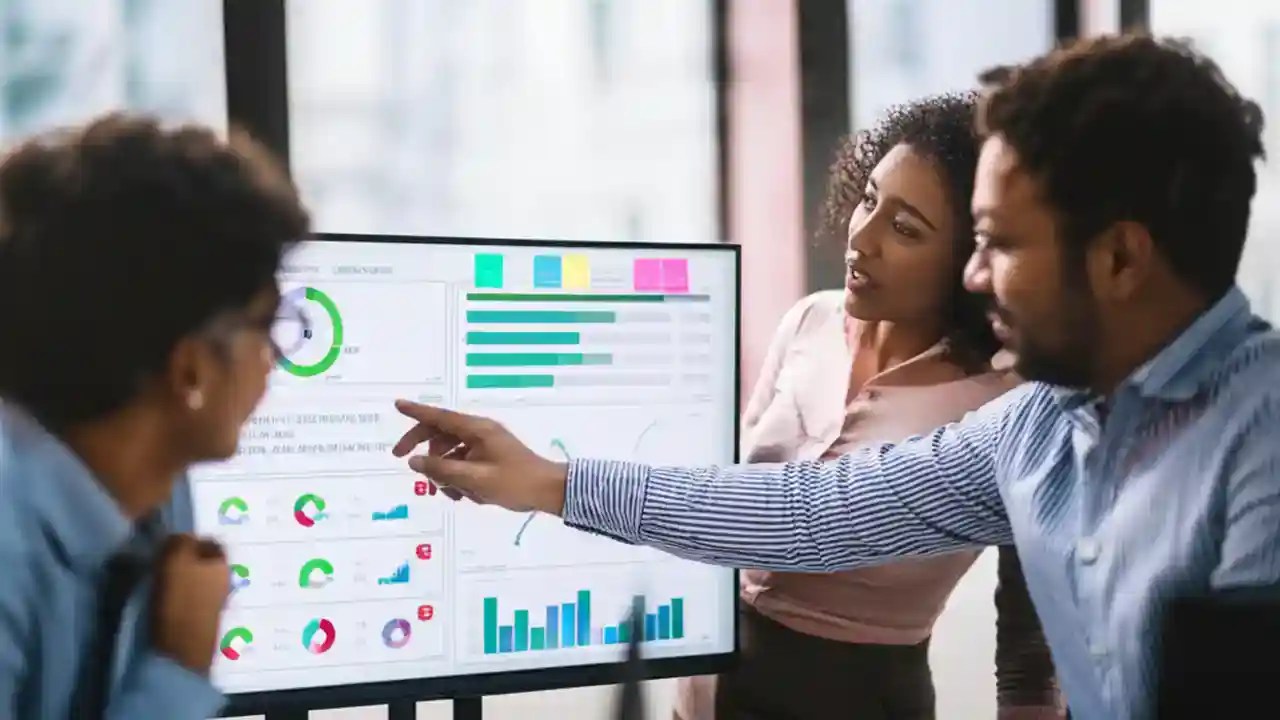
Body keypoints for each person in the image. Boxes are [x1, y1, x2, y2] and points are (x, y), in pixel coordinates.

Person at [389, 34, 1278, 720]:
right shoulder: (1038, 428)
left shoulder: (1259, 442)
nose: (975, 276)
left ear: (1120, 259)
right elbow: (807, 514)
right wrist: (548, 480)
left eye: (1000, 246)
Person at [673, 93, 1060, 720]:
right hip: (706, 695)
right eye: (869, 200)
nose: (863, 238)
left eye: (905, 229)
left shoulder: (1011, 404)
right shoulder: (808, 321)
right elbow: (734, 503)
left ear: (974, 264)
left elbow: (1031, 640)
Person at [0, 114, 308, 718]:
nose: (274, 358)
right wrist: (177, 670)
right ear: (191, 370)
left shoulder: (151, 499)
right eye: (266, 327)